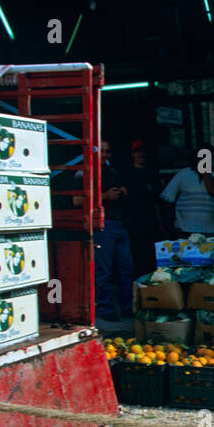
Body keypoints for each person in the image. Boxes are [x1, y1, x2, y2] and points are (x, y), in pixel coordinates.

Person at [93, 140, 134, 323]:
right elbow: (77, 200)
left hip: (119, 224)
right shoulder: (86, 172)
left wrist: (123, 191)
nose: (105, 155)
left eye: (107, 151)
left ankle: (127, 308)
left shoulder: (113, 171)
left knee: (126, 269)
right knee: (104, 270)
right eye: (101, 151)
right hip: (103, 225)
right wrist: (105, 196)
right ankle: (104, 308)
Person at [161, 142, 214, 237]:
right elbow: (167, 199)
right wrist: (173, 222)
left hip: (208, 230)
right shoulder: (183, 174)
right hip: (184, 229)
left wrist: (205, 171)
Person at [124, 137, 163, 276]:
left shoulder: (152, 174)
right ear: (133, 154)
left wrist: (159, 223)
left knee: (151, 257)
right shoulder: (126, 174)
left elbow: (156, 201)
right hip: (133, 223)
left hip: (150, 222)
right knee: (135, 257)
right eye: (138, 151)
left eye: (144, 152)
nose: (141, 154)